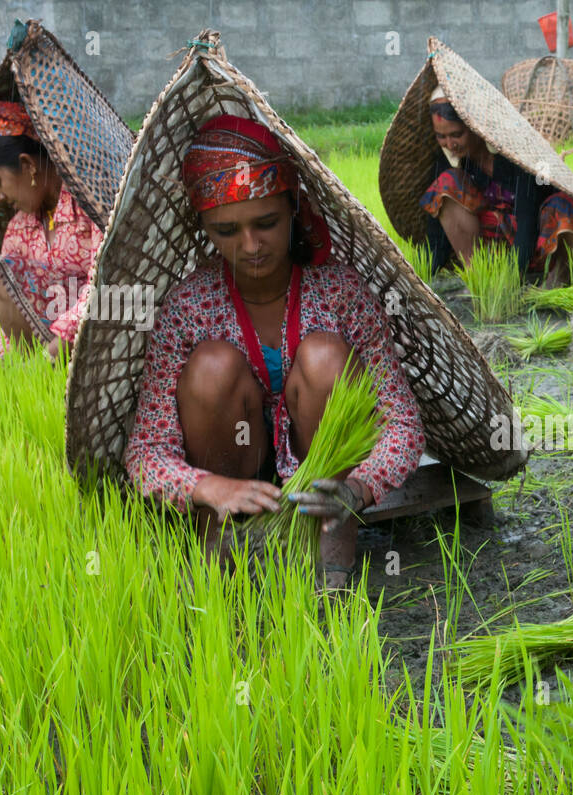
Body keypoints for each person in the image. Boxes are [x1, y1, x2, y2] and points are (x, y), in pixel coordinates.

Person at [123, 116, 425, 586]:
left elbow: (402, 421)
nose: (250, 245)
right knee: (211, 367)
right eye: (227, 231)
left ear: (294, 210)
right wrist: (209, 487)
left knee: (325, 357)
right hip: (234, 463)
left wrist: (358, 488)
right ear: (204, 227)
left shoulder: (339, 293)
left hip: (322, 476)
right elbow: (146, 451)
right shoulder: (189, 307)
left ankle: (330, 537)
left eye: (266, 223)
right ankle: (218, 543)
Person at [420, 86, 573, 287]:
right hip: (498, 254)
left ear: (475, 127)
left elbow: (527, 225)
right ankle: (478, 277)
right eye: (441, 137)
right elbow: (437, 239)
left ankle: (557, 281)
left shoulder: (520, 160)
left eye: (456, 134)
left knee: (566, 205)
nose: (449, 144)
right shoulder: (462, 166)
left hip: (541, 246)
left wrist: (509, 284)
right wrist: (419, 277)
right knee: (446, 182)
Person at [0, 100, 101, 359]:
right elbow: (5, 324)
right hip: (46, 359)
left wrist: (52, 354)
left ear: (28, 166)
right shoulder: (19, 228)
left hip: (101, 335)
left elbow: (103, 287)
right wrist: (16, 374)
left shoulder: (90, 207)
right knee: (2, 275)